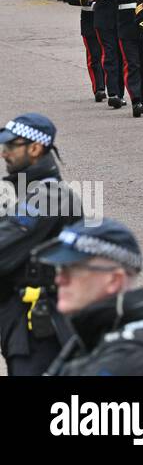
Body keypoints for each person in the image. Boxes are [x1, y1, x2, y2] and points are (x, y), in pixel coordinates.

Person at [36, 220, 143, 375]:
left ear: (114, 280)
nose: (59, 279)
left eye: (71, 270)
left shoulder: (130, 357)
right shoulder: (95, 339)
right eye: (60, 269)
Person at [0, 114, 81, 376]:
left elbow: (4, 246)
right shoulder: (28, 191)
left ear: (35, 148)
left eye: (12, 146)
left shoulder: (49, 197)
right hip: (25, 319)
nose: (4, 154)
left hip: (41, 327)